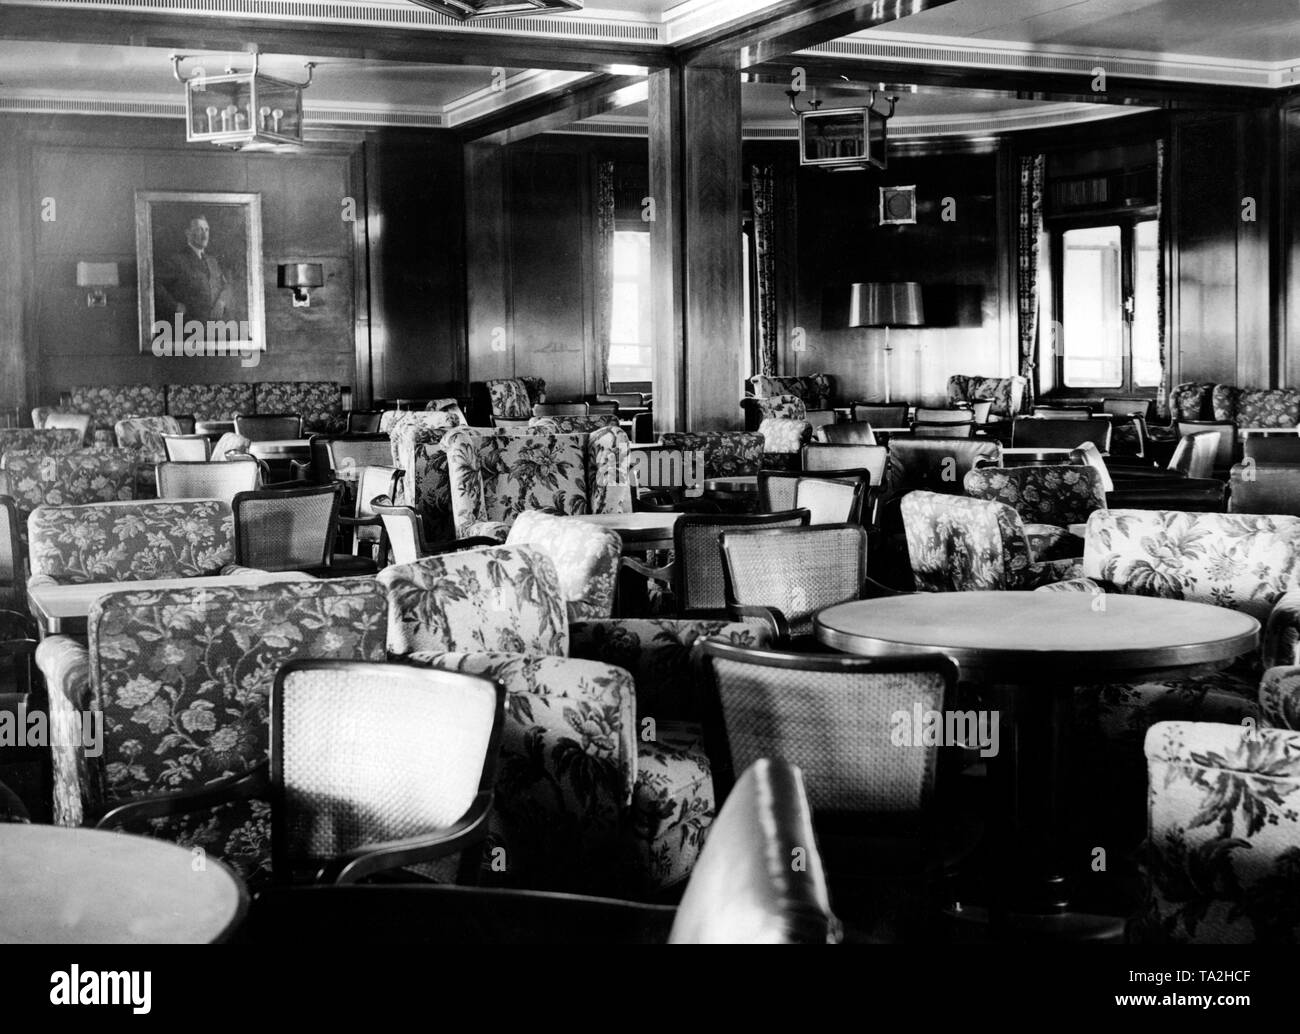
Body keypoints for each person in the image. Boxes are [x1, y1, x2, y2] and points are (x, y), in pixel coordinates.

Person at [154, 215, 233, 326]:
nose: (205, 234)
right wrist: (175, 306)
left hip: (214, 326)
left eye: (206, 230)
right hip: (189, 327)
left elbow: (226, 286)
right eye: (199, 229)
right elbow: (155, 285)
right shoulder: (177, 260)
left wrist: (221, 301)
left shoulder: (212, 261)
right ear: (188, 233)